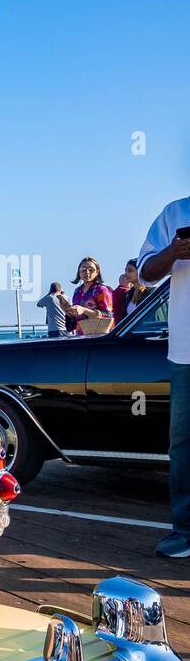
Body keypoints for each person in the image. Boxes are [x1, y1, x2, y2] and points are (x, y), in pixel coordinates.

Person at [137, 195, 190, 557]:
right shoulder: (176, 213)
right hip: (186, 351)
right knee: (184, 445)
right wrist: (174, 253)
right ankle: (184, 532)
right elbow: (145, 274)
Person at [67, 258, 113, 336]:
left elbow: (108, 315)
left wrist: (84, 310)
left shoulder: (101, 290)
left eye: (91, 270)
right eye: (84, 270)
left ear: (97, 272)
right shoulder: (77, 291)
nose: (87, 272)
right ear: (79, 272)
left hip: (99, 336)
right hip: (80, 334)